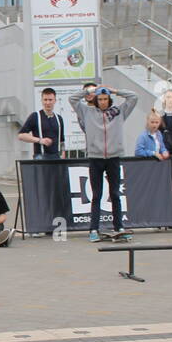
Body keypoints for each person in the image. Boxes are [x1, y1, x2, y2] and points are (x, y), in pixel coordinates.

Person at [69, 84, 137, 241]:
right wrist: (88, 91)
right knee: (97, 195)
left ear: (109, 99)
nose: (103, 102)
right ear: (96, 100)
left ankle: (119, 226)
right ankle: (93, 229)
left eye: (106, 99)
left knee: (115, 194)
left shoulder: (118, 112)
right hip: (95, 158)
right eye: (100, 99)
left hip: (114, 157)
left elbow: (133, 97)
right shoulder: (87, 112)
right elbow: (72, 99)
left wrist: (116, 90)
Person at [18, 88, 65, 159]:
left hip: (56, 157)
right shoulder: (35, 116)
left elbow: (61, 140)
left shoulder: (59, 118)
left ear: (55, 101)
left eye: (50, 100)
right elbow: (21, 135)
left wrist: (63, 154)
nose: (48, 103)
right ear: (41, 101)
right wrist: (40, 140)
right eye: (45, 100)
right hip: (40, 157)